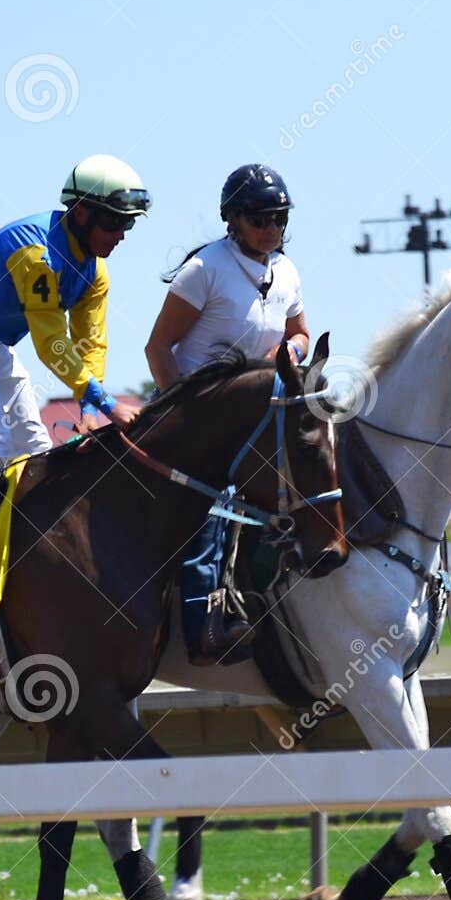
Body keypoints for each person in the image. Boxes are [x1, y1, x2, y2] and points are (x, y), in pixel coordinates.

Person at [0, 154, 150, 588]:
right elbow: (50, 342)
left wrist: (89, 404)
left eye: (128, 225)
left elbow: (90, 342)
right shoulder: (36, 253)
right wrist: (107, 402)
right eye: (115, 223)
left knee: (36, 451)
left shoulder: (95, 272)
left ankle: (24, 546)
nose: (121, 235)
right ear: (81, 213)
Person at [144, 163, 308, 663]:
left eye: (279, 218)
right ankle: (201, 631)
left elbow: (300, 335)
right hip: (197, 422)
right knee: (208, 515)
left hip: (256, 422)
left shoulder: (287, 271)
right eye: (260, 218)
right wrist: (185, 414)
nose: (271, 228)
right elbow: (157, 349)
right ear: (232, 220)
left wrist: (285, 359)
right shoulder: (205, 270)